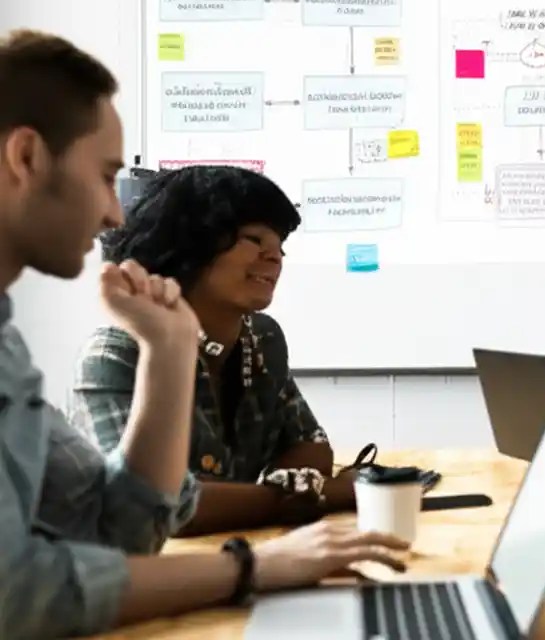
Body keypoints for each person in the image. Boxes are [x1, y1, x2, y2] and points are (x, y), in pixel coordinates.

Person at [0, 29, 406, 639]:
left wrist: (168, 353)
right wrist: (250, 567)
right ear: (26, 158)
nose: (115, 214)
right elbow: (19, 592)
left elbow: (124, 530)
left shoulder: (8, 350)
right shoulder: (97, 353)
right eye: (107, 176)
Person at [68, 164, 369, 535]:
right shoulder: (113, 356)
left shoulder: (261, 338)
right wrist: (313, 494)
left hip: (235, 554)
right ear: (189, 245)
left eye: (279, 246)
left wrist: (288, 492)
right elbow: (162, 506)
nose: (275, 257)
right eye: (254, 240)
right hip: (135, 578)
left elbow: (311, 447)